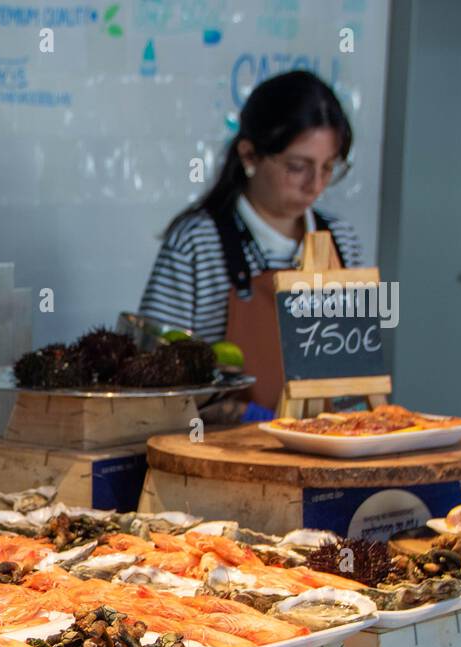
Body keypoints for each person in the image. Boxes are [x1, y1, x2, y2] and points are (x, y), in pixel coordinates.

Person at [138, 70, 364, 409]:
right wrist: (233, 414)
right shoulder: (198, 243)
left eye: (329, 168)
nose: (315, 185)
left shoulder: (341, 241)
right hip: (222, 453)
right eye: (298, 167)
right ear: (249, 155)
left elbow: (354, 378)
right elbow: (152, 381)